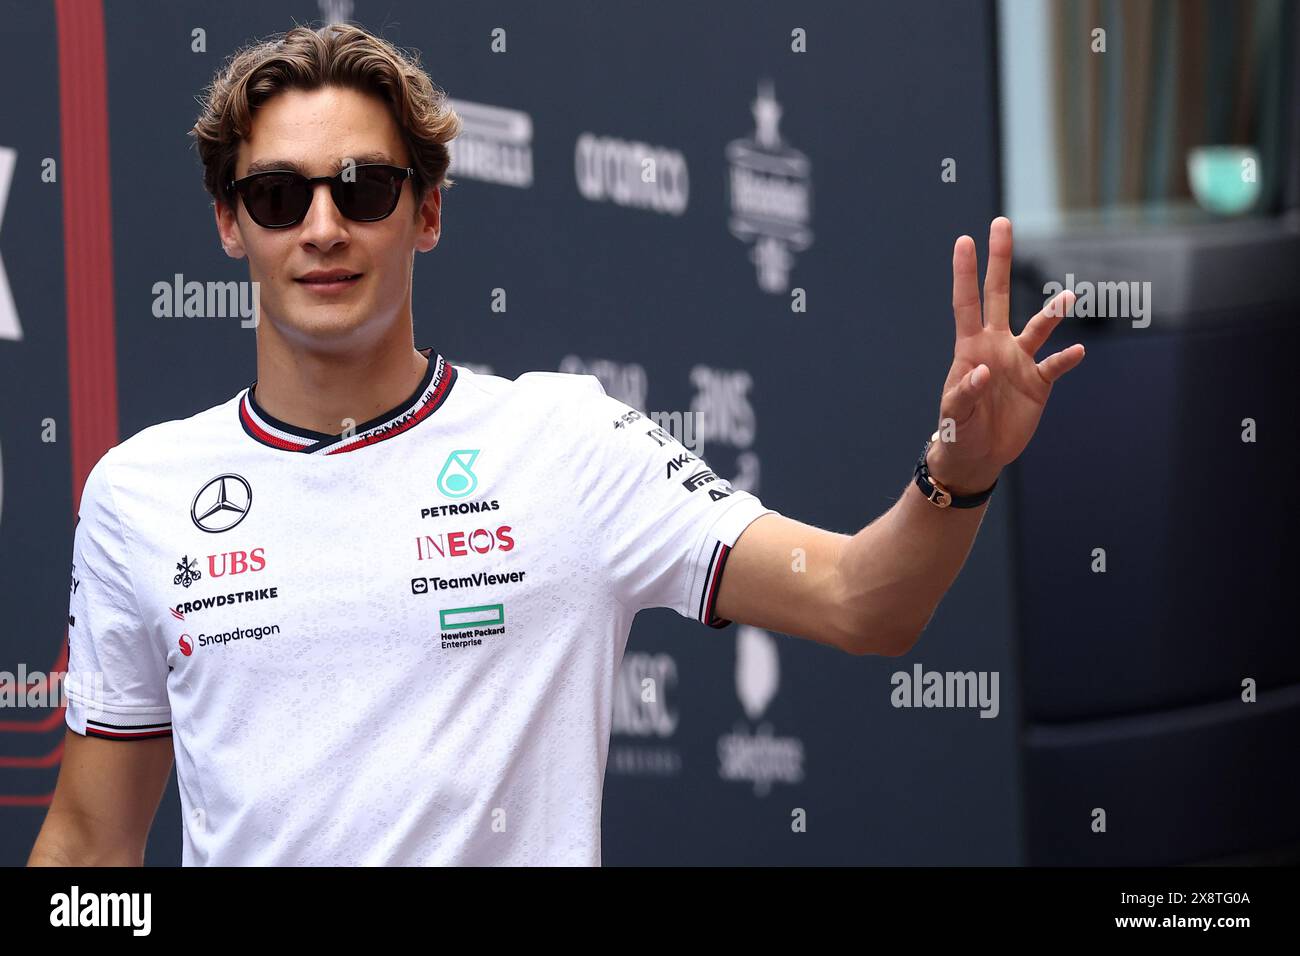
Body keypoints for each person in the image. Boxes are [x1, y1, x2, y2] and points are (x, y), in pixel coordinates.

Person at [29, 23, 1083, 866]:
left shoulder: (567, 443)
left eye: (364, 187)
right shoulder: (139, 494)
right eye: (276, 194)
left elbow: (864, 600)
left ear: (427, 212)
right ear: (230, 224)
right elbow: (89, 845)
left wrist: (960, 467)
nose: (321, 226)